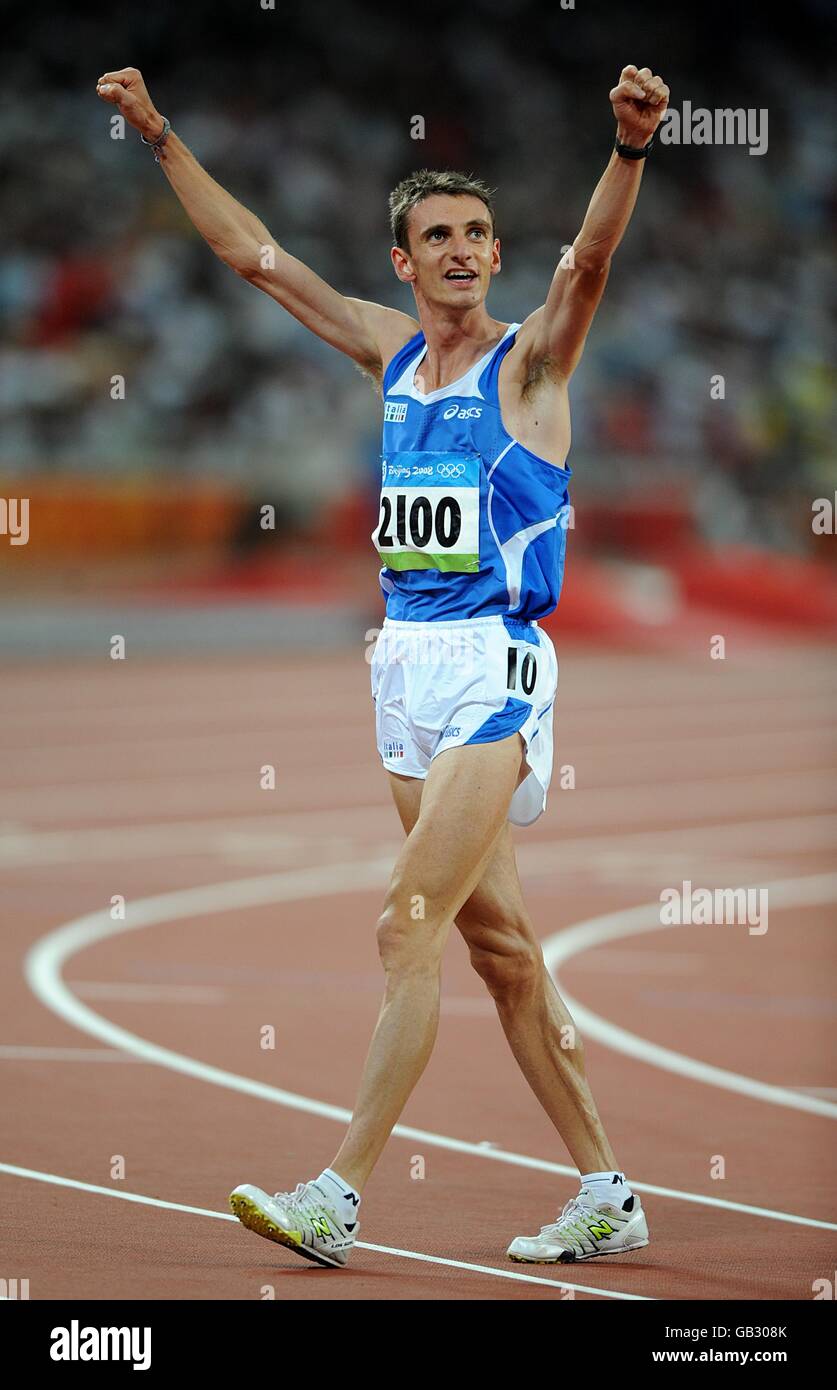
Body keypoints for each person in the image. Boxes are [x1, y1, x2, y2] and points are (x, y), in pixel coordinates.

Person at [96, 62, 670, 1269]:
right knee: (500, 950)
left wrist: (627, 151)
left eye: (474, 233)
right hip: (402, 669)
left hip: (493, 668)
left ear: (494, 251)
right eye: (435, 237)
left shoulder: (533, 368)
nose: (460, 251)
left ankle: (338, 1193)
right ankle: (609, 1192)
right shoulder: (387, 353)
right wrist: (159, 138)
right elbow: (255, 257)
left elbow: (591, 267)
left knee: (404, 924)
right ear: (402, 263)